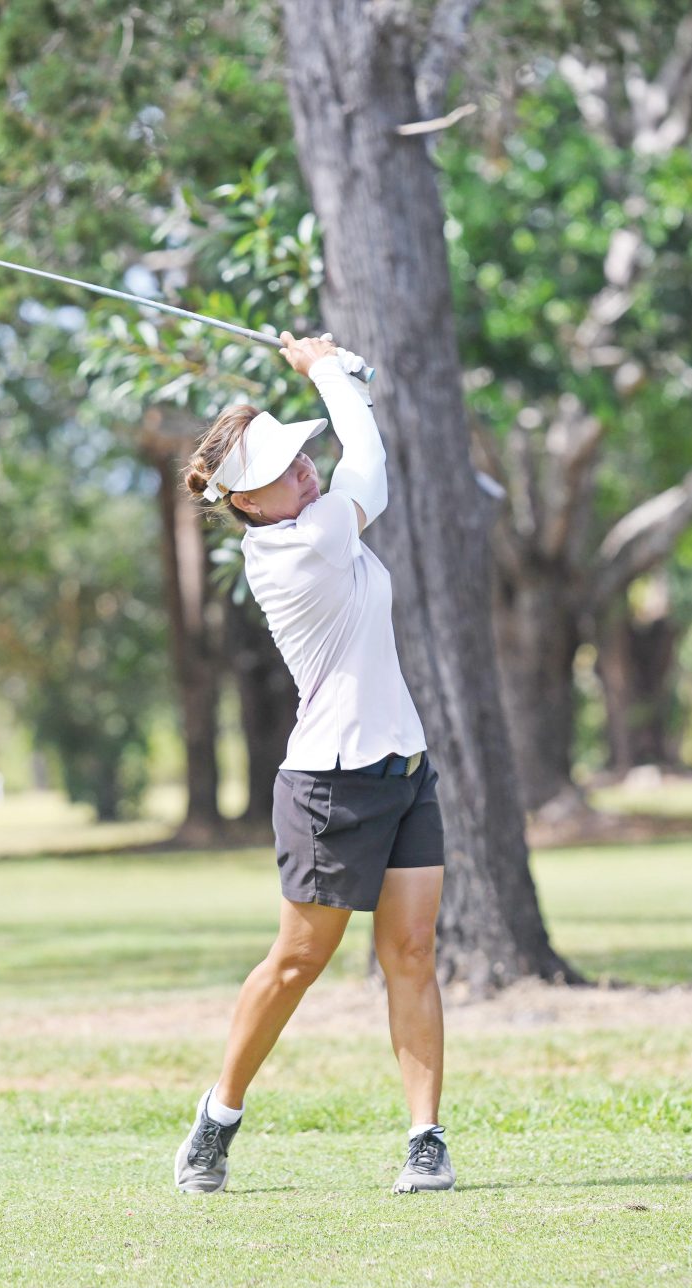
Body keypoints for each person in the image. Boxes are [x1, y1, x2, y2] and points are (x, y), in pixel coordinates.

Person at [173, 331, 451, 1195]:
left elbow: (355, 456)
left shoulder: (316, 519)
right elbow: (371, 469)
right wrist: (328, 371)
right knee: (298, 961)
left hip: (403, 766)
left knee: (411, 949)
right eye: (285, 467)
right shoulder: (296, 546)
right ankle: (217, 1116)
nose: (304, 467)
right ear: (247, 504)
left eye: (300, 455)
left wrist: (347, 383)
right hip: (331, 787)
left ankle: (425, 1138)